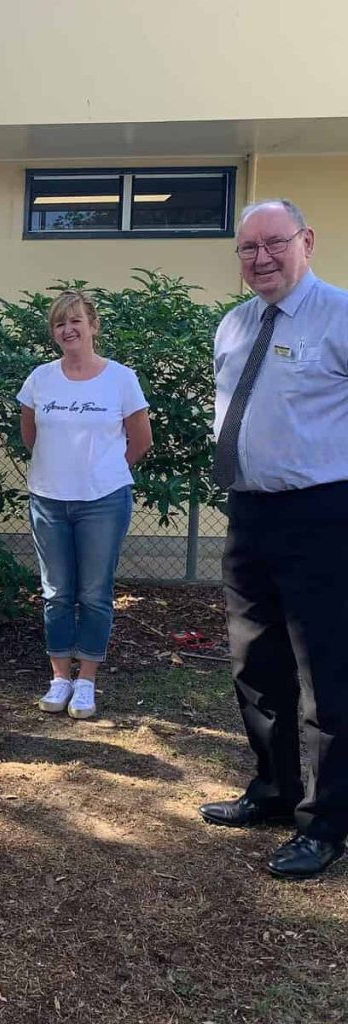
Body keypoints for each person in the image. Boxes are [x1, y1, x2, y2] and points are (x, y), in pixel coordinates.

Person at [198, 199, 348, 880]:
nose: (260, 258)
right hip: (250, 511)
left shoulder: (340, 316)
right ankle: (275, 788)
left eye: (274, 244)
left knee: (326, 674)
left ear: (307, 242)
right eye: (247, 248)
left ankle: (326, 823)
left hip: (323, 513)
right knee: (255, 662)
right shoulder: (234, 324)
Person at [17, 290, 152, 720]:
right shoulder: (40, 378)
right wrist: (60, 471)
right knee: (56, 594)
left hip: (103, 501)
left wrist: (104, 470)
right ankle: (59, 678)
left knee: (95, 594)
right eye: (60, 323)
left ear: (93, 325)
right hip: (49, 500)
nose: (68, 329)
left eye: (76, 321)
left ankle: (87, 681)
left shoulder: (121, 379)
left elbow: (141, 440)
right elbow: (30, 435)